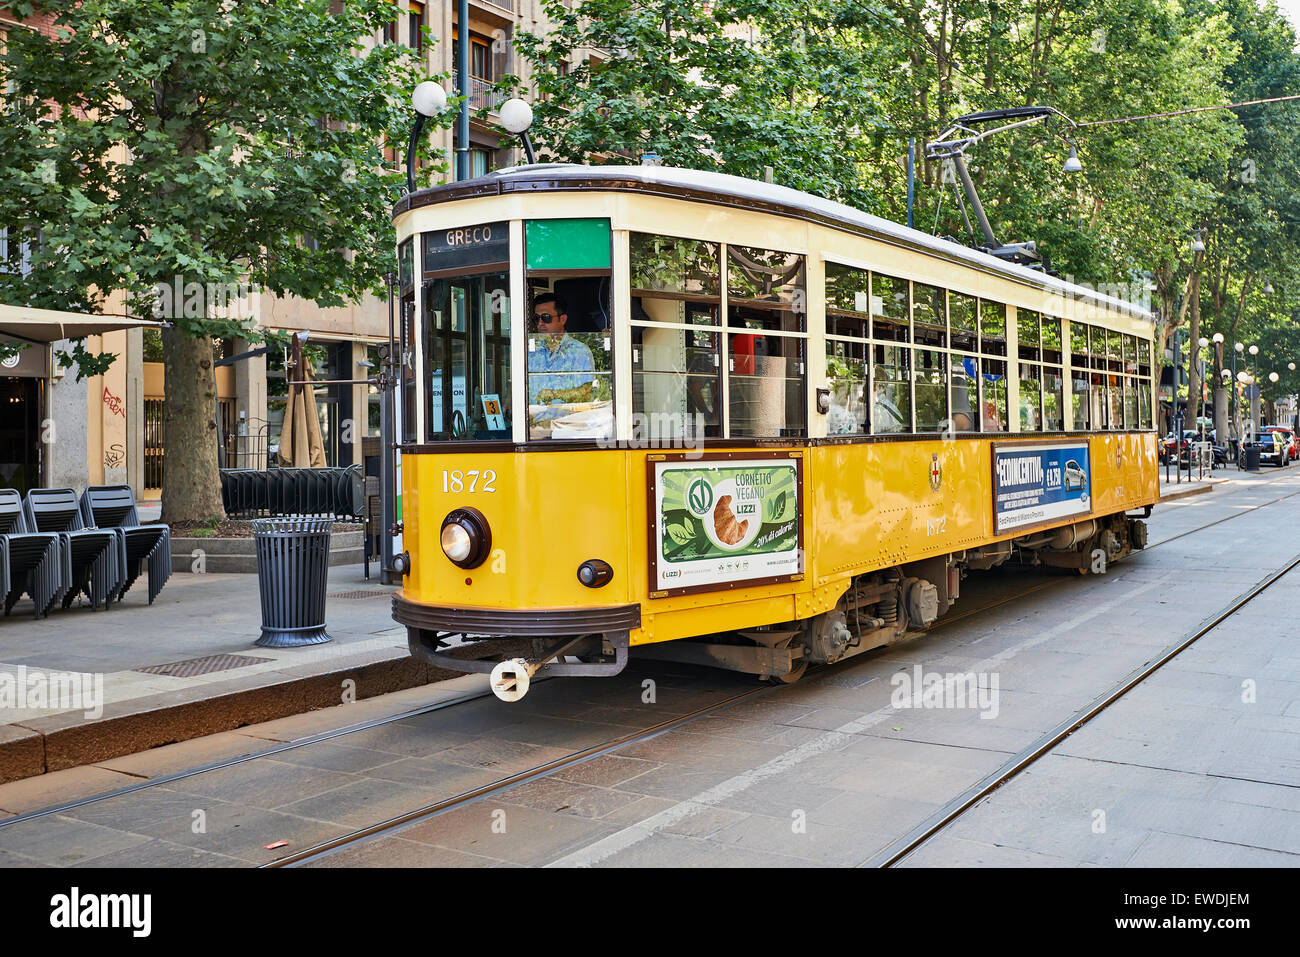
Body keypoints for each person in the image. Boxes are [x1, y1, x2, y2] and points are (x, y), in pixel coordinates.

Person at [528, 293, 595, 404]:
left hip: (565, 421)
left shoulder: (579, 352)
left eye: (546, 318)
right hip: (530, 420)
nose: (540, 323)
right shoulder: (531, 352)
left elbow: (586, 392)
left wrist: (555, 394)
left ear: (562, 319)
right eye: (536, 318)